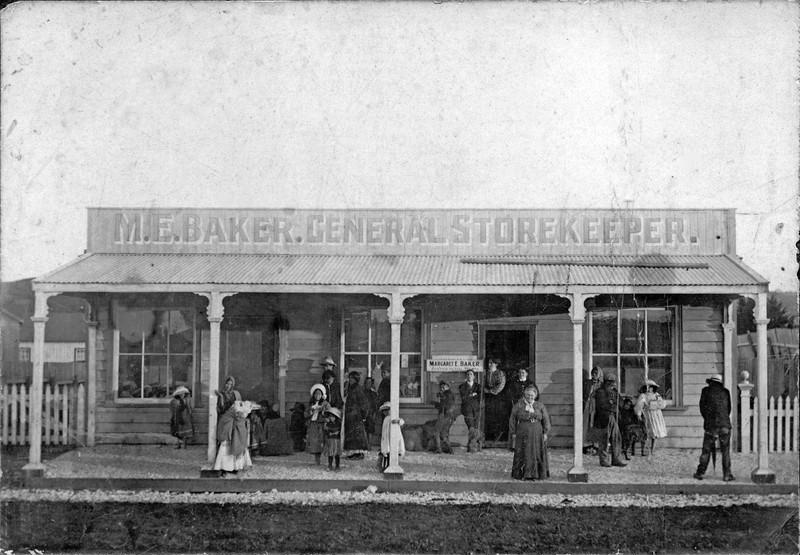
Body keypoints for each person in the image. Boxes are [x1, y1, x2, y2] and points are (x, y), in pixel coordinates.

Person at [694, 374, 734, 481]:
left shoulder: (705, 391)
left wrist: (708, 419)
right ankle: (727, 475)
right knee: (725, 451)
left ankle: (700, 473)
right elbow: (728, 409)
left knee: (706, 450)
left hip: (711, 425)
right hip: (725, 424)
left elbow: (702, 408)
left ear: (711, 382)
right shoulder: (726, 392)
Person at [508, 384, 551, 481]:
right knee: (524, 452)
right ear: (524, 395)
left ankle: (537, 474)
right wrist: (513, 432)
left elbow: (546, 419)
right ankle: (522, 474)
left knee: (536, 452)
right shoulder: (518, 405)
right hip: (522, 432)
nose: (530, 397)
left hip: (537, 433)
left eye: (532, 395)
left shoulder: (540, 406)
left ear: (535, 395)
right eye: (528, 395)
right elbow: (512, 419)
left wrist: (545, 433)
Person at [213, 376, 253, 475]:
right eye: (227, 383)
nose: (228, 386)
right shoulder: (221, 394)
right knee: (226, 441)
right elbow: (220, 410)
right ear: (224, 384)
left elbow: (240, 406)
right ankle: (224, 467)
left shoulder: (236, 394)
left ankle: (237, 466)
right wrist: (221, 397)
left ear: (233, 385)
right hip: (226, 420)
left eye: (230, 384)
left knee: (237, 440)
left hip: (236, 420)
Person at [593, 373, 626, 468]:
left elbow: (621, 403)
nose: (612, 385)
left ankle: (616, 459)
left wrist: (614, 403)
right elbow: (602, 405)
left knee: (616, 438)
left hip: (613, 417)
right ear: (606, 383)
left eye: (613, 383)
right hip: (604, 418)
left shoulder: (615, 391)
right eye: (610, 383)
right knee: (604, 439)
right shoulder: (600, 392)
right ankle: (603, 460)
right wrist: (613, 405)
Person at [634, 378, 668, 455]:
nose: (649, 389)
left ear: (653, 388)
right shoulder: (643, 396)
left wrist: (658, 405)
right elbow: (639, 405)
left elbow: (662, 404)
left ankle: (652, 450)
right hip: (648, 415)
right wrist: (639, 414)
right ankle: (645, 449)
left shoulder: (657, 395)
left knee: (655, 433)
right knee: (647, 432)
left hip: (656, 415)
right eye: (647, 387)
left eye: (651, 387)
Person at [343, 371, 370, 459]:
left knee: (357, 435)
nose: (350, 380)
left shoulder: (358, 389)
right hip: (350, 416)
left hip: (356, 416)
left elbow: (364, 403)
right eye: (350, 378)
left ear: (356, 379)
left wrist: (364, 415)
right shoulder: (350, 388)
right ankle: (353, 452)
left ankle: (359, 453)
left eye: (352, 378)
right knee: (351, 435)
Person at [484, 358, 507, 442]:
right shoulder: (486, 373)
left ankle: (499, 435)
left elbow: (501, 384)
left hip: (498, 397)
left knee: (497, 415)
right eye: (489, 363)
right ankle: (490, 435)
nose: (489, 365)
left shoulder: (500, 373)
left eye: (491, 363)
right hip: (488, 397)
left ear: (496, 364)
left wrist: (491, 391)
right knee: (489, 415)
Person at [458, 369, 482, 452]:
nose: (469, 376)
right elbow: (464, 397)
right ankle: (471, 446)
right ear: (466, 376)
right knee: (471, 427)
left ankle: (476, 445)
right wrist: (473, 394)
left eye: (471, 374)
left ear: (474, 376)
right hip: (467, 409)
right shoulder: (462, 386)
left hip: (476, 409)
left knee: (476, 427)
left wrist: (471, 395)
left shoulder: (478, 386)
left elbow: (480, 397)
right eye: (468, 374)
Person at [306, 384, 330, 465]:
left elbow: (329, 413)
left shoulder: (325, 403)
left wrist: (322, 411)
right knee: (314, 442)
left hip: (321, 425)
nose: (317, 396)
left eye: (319, 394)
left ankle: (323, 459)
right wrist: (311, 411)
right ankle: (316, 459)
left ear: (322, 395)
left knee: (321, 441)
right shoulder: (311, 404)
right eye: (316, 394)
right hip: (313, 424)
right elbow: (306, 414)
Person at [377, 402, 405, 472]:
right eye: (384, 411)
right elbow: (384, 431)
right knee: (386, 454)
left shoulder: (393, 417)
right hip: (387, 438)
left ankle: (390, 465)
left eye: (387, 410)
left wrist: (398, 421)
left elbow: (402, 421)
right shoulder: (386, 419)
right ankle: (384, 466)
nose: (385, 412)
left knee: (392, 453)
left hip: (393, 438)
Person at [582, 366, 604, 455]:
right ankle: (586, 444)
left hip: (597, 406)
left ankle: (595, 445)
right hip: (588, 405)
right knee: (586, 424)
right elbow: (584, 394)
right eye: (593, 373)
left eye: (596, 373)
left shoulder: (601, 384)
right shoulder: (587, 383)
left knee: (595, 424)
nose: (594, 375)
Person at [432, 380, 456, 454]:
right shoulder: (450, 394)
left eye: (443, 386)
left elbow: (443, 406)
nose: (442, 388)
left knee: (436, 432)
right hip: (449, 417)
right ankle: (450, 449)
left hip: (443, 415)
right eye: (441, 386)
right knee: (443, 434)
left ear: (447, 387)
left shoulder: (446, 394)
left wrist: (435, 403)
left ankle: (438, 449)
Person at [322, 406, 343, 471]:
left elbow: (340, 431)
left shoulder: (339, 424)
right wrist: (330, 432)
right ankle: (330, 465)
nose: (331, 418)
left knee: (337, 454)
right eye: (330, 417)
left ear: (335, 417)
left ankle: (337, 466)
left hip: (337, 440)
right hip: (330, 440)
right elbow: (326, 431)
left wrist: (335, 433)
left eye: (333, 417)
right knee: (330, 454)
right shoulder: (328, 424)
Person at [363, 376, 379, 446]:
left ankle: (369, 444)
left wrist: (374, 414)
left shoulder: (374, 394)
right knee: (363, 430)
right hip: (363, 414)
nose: (368, 384)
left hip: (371, 414)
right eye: (366, 382)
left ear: (372, 384)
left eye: (369, 383)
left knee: (370, 430)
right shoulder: (361, 393)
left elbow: (376, 405)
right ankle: (365, 445)